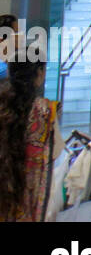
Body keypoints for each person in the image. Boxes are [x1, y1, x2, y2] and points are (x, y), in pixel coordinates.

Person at [0, 58, 63, 221]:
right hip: (31, 189)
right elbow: (56, 151)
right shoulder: (46, 110)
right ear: (40, 73)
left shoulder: (2, 105)